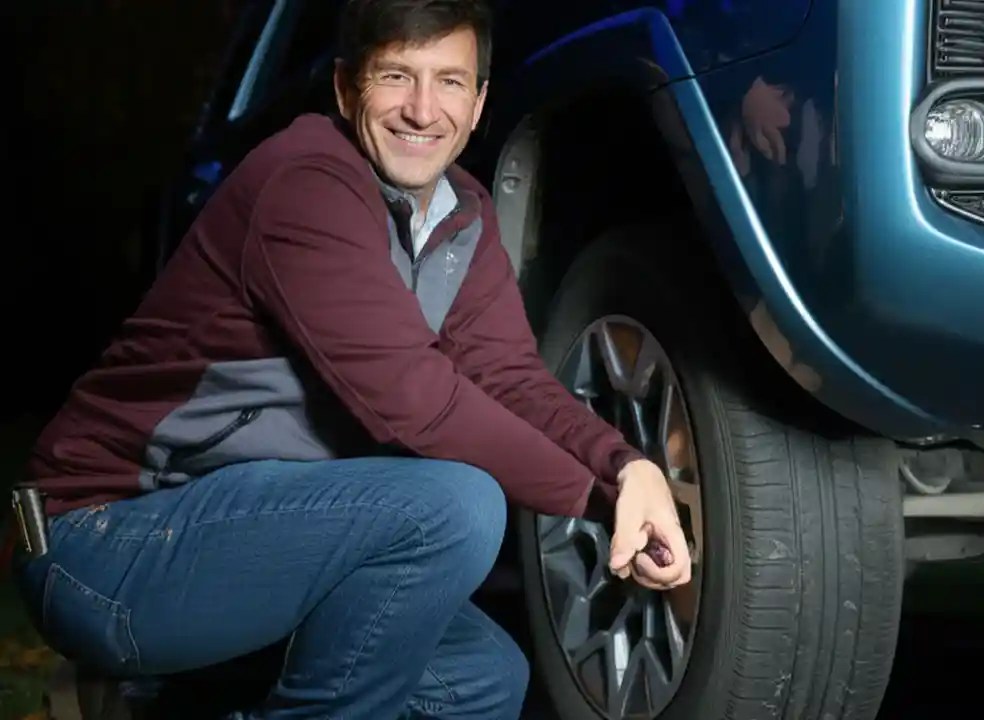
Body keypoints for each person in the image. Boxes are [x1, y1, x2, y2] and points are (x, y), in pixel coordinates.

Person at [9, 0, 692, 717]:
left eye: (451, 82)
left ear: (481, 101)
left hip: (250, 537)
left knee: (484, 679)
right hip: (108, 542)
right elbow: (415, 400)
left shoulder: (463, 215)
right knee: (454, 506)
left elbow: (509, 377)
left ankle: (159, 698)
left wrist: (626, 467)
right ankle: (158, 681)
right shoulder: (304, 183)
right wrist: (592, 500)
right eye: (396, 75)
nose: (423, 110)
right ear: (345, 89)